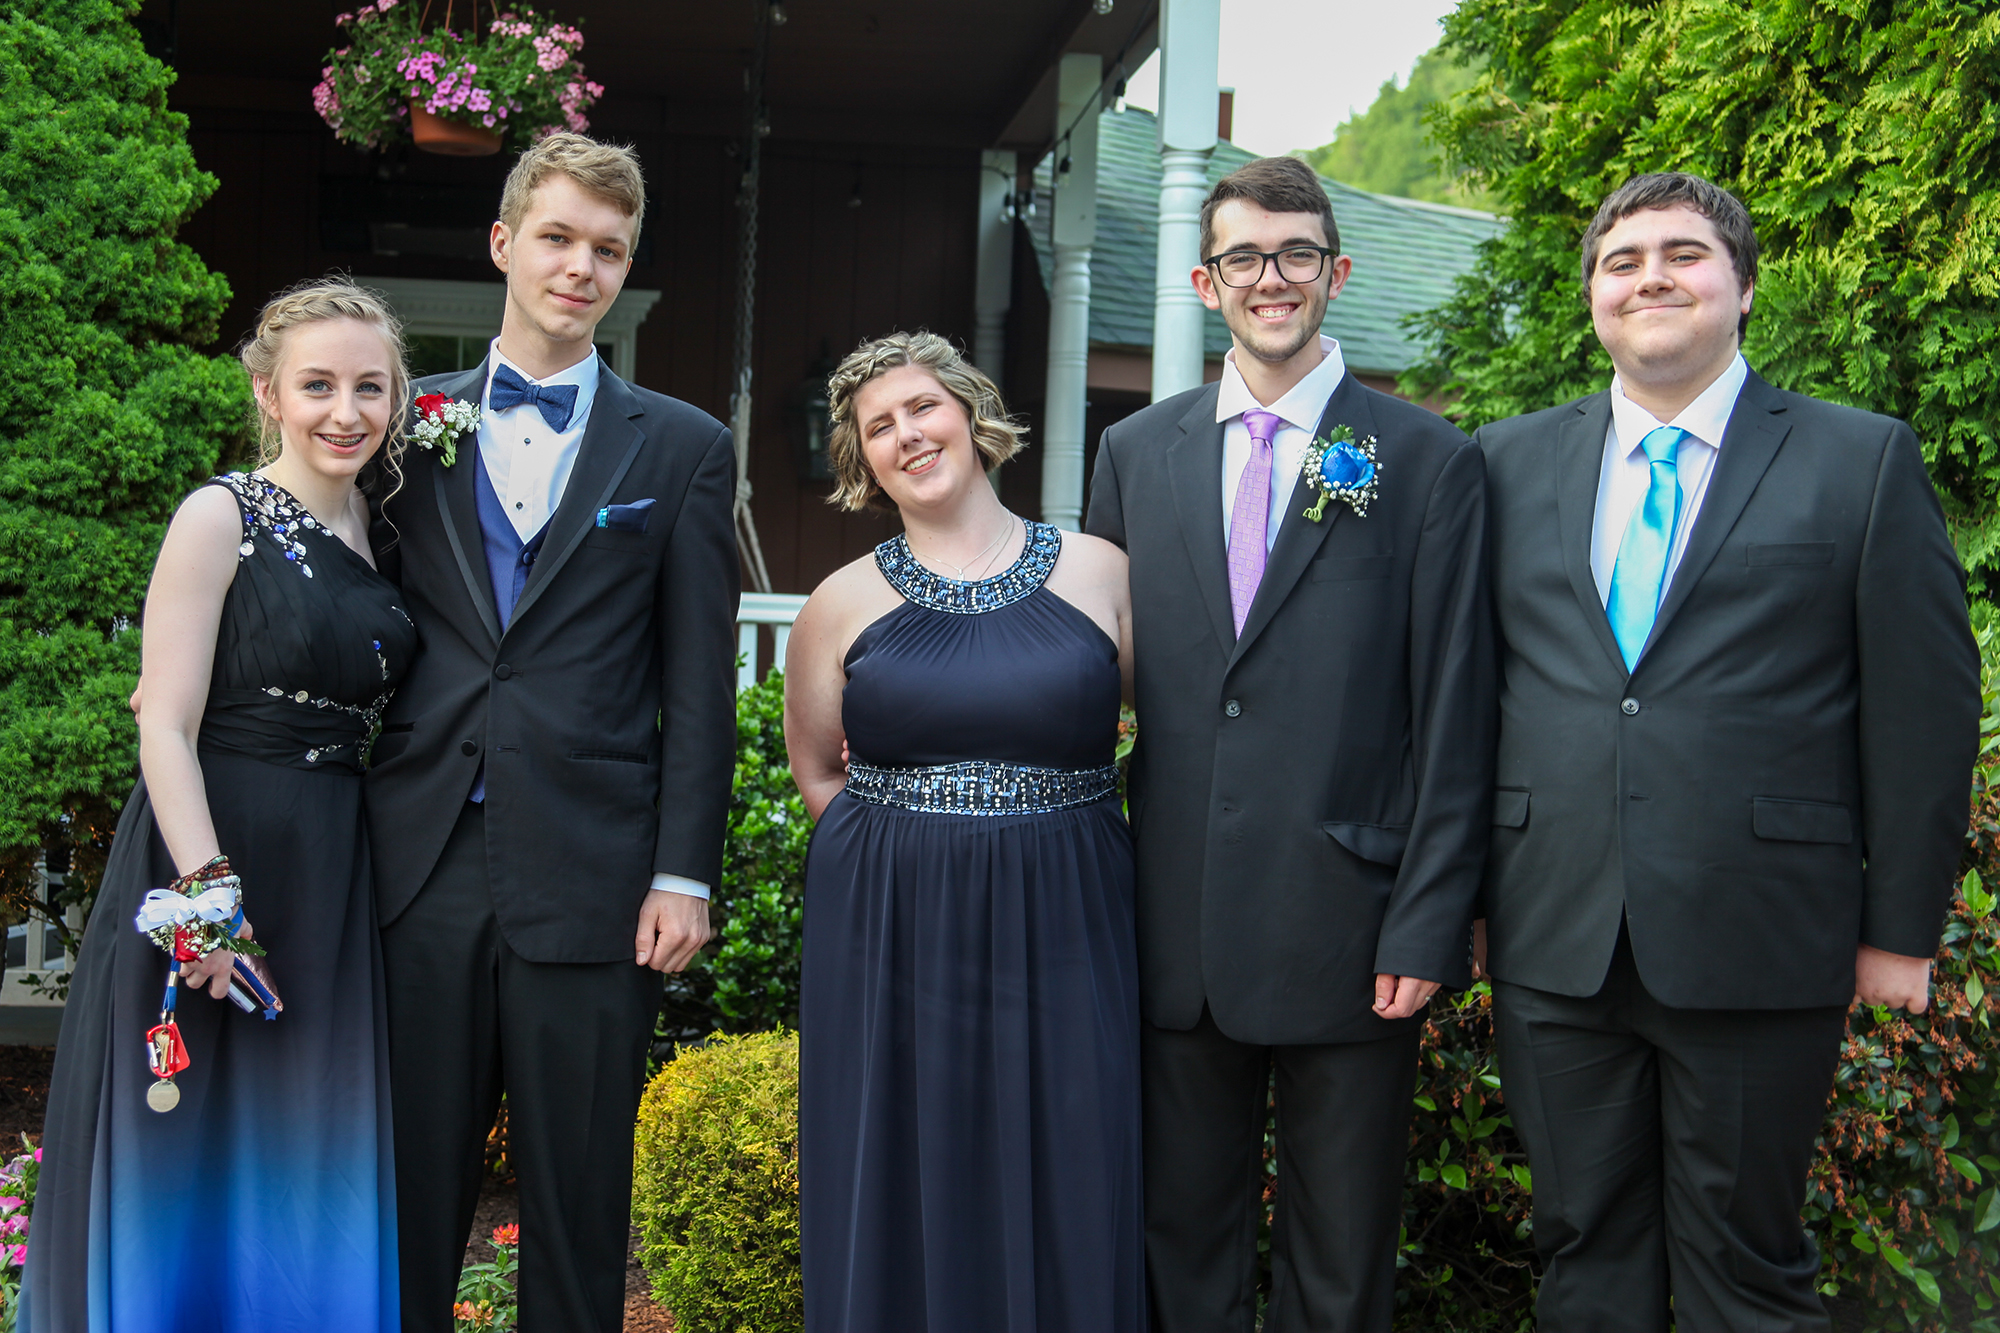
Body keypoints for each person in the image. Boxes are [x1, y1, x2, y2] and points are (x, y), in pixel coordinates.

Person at [1473, 171, 1981, 1332]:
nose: (1648, 274)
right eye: (1619, 259)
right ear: (1590, 298)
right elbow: (1465, 695)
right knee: (1579, 1251)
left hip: (1759, 931)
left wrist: (1899, 931)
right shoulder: (1501, 463)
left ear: (1742, 288)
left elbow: (1923, 707)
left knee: (1743, 1270)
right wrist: (1456, 888)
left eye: (1682, 254)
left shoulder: (1857, 461)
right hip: (1551, 932)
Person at [1082, 155, 1495, 1331]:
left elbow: (1455, 708)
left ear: (1335, 272)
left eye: (1296, 254)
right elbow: (1088, 673)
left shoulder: (1426, 461)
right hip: (1171, 925)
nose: (1272, 278)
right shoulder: (1134, 454)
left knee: (1341, 1250)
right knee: (1178, 1245)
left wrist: (1426, 913)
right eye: (1244, 258)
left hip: (1353, 928)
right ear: (1206, 282)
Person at [362, 133, 738, 1333]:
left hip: (596, 871)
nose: (581, 267)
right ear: (503, 245)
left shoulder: (680, 446)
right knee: (409, 1187)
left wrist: (684, 868)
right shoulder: (403, 425)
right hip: (416, 862)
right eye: (559, 239)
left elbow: (699, 680)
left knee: (580, 1195)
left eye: (608, 249)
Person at [22, 278, 414, 1331]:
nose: (346, 411)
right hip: (210, 847)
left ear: (397, 400)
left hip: (334, 865)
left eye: (369, 388)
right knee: (191, 1129)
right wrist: (206, 903)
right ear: (267, 391)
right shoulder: (218, 515)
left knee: (305, 1130)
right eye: (318, 384)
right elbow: (164, 720)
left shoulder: (385, 535)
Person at [785, 331, 1143, 1332]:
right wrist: (922, 847)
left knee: (1074, 1142)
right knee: (906, 1153)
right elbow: (817, 767)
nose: (908, 433)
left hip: (1072, 910)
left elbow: (1174, 735)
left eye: (922, 407)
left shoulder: (1099, 571)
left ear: (972, 415)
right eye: (878, 426)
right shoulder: (838, 603)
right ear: (863, 460)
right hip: (893, 929)